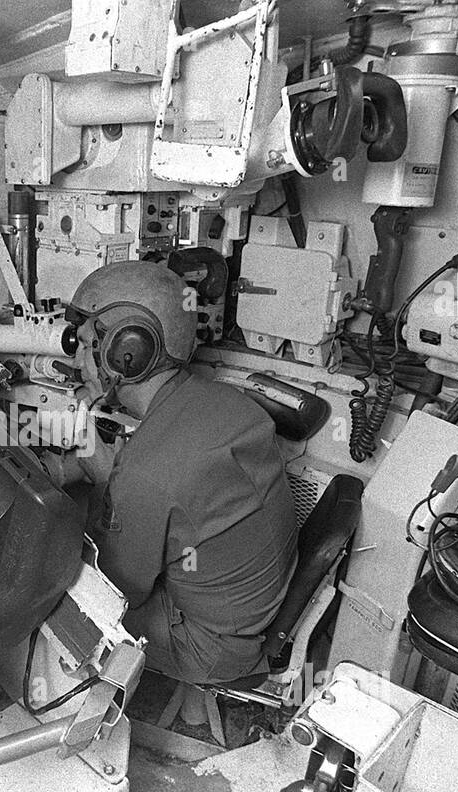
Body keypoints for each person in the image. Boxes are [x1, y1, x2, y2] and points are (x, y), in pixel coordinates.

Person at [69, 260, 299, 684]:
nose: (80, 361)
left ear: (128, 352)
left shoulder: (146, 476)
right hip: (261, 600)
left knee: (63, 591)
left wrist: (100, 482)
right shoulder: (226, 400)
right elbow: (169, 488)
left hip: (211, 647)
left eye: (85, 345)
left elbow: (120, 588)